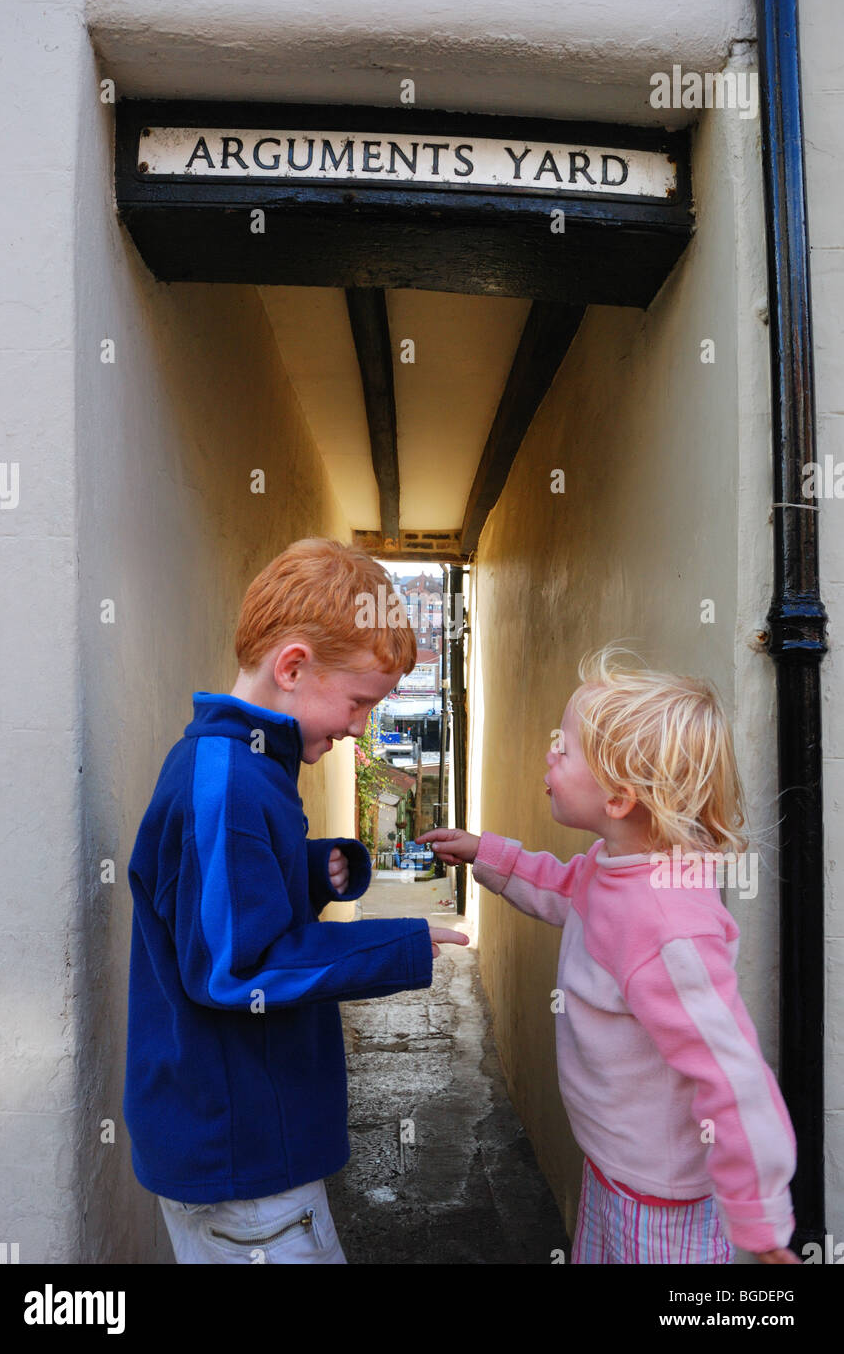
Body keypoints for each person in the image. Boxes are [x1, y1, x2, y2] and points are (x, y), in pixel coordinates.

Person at [123, 538, 468, 1263]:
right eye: (358, 702)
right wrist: (395, 946)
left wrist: (317, 871)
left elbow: (216, 901)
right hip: (243, 1161)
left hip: (236, 1145)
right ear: (293, 667)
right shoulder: (228, 781)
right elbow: (233, 970)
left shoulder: (240, 767)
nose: (358, 728)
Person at [419, 645, 799, 1265]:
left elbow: (733, 1075)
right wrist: (486, 853)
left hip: (664, 1209)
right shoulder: (615, 868)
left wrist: (758, 1219)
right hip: (615, 1175)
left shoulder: (670, 923)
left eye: (563, 747)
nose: (550, 752)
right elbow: (565, 888)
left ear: (620, 796)